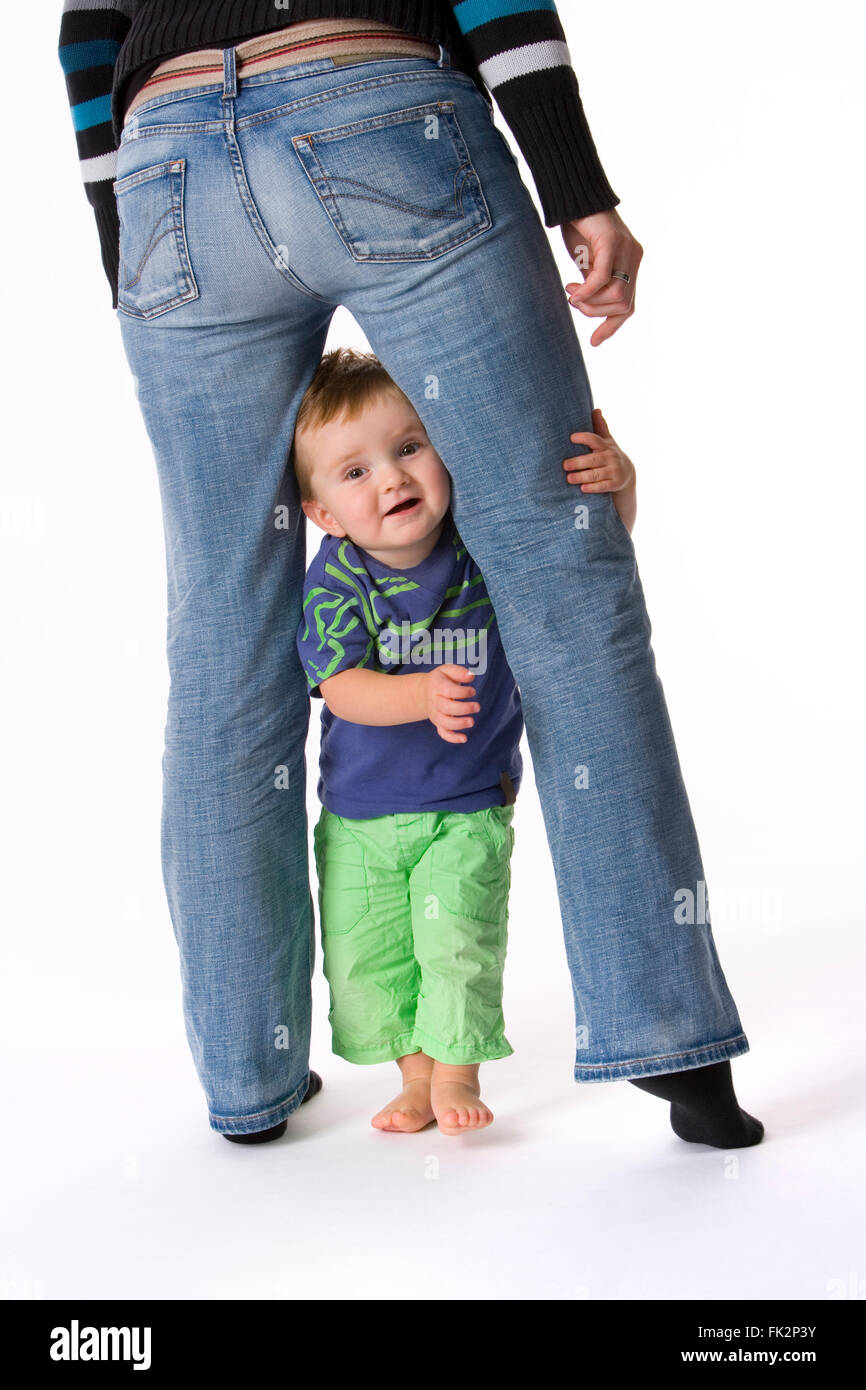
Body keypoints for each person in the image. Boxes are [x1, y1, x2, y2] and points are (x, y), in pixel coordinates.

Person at [58, 2, 763, 1149]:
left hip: (164, 161)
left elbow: (87, 21)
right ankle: (668, 1039)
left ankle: (246, 1078)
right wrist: (571, 176)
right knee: (558, 567)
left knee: (222, 639)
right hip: (372, 103)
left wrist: (125, 227)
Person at [293, 349, 640, 1136]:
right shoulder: (337, 579)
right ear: (321, 512)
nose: (392, 479)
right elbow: (341, 684)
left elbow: (581, 563)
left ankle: (455, 1072)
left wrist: (621, 486)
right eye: (355, 472)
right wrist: (416, 693)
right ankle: (411, 1078)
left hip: (467, 801)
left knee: (457, 942)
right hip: (359, 812)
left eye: (409, 447)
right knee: (369, 960)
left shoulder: (478, 546)